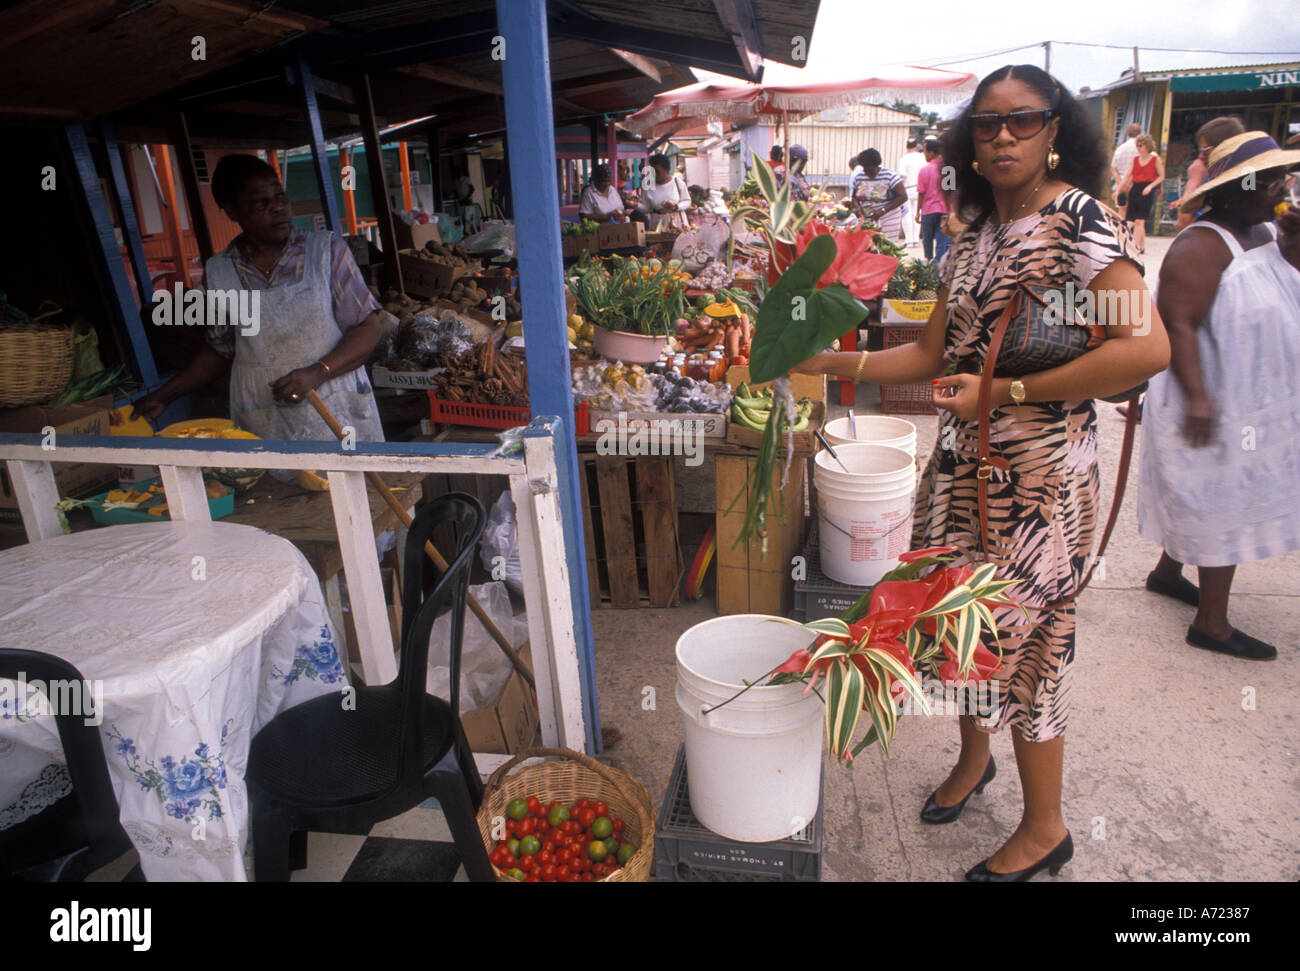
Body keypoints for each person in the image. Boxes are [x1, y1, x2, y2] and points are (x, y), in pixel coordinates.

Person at [795, 64, 1169, 881]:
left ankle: (1046, 827)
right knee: (956, 626)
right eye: (988, 124)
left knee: (1029, 646)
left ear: (1055, 130)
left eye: (1022, 120)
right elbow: (932, 353)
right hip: (964, 470)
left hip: (1039, 483)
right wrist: (826, 359)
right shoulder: (972, 237)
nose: (1003, 137)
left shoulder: (1078, 223)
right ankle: (974, 760)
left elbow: (1147, 347)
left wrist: (1006, 391)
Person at [1137, 131, 1300, 661]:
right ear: (1234, 189)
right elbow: (1178, 324)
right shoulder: (1200, 245)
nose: (1280, 188)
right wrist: (1200, 399)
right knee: (1218, 498)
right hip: (1208, 393)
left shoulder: (1263, 231)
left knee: (1207, 492)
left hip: (1246, 393)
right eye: (1266, 181)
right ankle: (1210, 623)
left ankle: (1167, 573)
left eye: (1281, 179)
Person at [131, 154, 385, 460]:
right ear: (232, 211)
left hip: (336, 408)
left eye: (280, 197)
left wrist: (320, 371)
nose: (277, 208)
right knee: (277, 488)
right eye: (260, 204)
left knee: (355, 484)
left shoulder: (326, 251)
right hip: (264, 415)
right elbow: (221, 349)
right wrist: (165, 395)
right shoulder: (219, 270)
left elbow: (368, 326)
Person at [1170, 116, 1245, 231]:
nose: (1200, 156)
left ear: (1223, 148)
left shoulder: (1218, 178)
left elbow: (1185, 223)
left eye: (1205, 151)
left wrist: (1193, 182)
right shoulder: (1250, 174)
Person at [1117, 133, 1164, 253]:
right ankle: (1140, 246)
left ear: (1147, 146)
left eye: (1140, 145)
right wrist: (1118, 190)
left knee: (1140, 220)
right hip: (1135, 189)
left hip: (1147, 189)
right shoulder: (1135, 160)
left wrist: (1151, 186)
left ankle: (1135, 247)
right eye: (1137, 145)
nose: (1138, 148)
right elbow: (1127, 176)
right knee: (1130, 220)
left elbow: (1161, 176)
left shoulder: (1155, 159)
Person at [852, 148, 908, 241]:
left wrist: (883, 210)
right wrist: (857, 208)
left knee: (886, 245)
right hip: (867, 219)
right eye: (864, 169)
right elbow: (854, 198)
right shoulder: (859, 177)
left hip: (888, 218)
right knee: (869, 245)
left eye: (870, 169)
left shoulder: (890, 176)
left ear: (876, 165)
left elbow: (903, 197)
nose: (867, 172)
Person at [915, 136, 952, 262]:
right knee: (943, 240)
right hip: (944, 210)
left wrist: (918, 212)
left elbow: (921, 193)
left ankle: (929, 261)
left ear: (931, 153)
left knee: (927, 239)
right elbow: (950, 192)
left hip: (928, 210)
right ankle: (939, 263)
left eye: (925, 152)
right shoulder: (949, 170)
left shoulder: (924, 170)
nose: (924, 155)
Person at [634, 153, 690, 231]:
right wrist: (635, 205)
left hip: (677, 222)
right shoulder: (648, 187)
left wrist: (676, 206)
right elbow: (647, 208)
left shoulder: (677, 182)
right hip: (657, 225)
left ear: (666, 170)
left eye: (657, 171)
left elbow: (687, 201)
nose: (654, 175)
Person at [898, 137, 927, 247]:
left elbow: (902, 177)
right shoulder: (922, 158)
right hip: (919, 189)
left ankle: (909, 239)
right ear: (916, 146)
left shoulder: (904, 159)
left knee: (906, 214)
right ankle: (915, 239)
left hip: (907, 188)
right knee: (917, 213)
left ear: (906, 147)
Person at [1111, 121, 1142, 210]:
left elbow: (1113, 168)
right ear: (1140, 134)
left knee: (1122, 213)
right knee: (1135, 214)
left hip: (1120, 186)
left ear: (1128, 134)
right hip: (1136, 185)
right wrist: (1129, 183)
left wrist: (1121, 183)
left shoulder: (1120, 149)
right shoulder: (1141, 149)